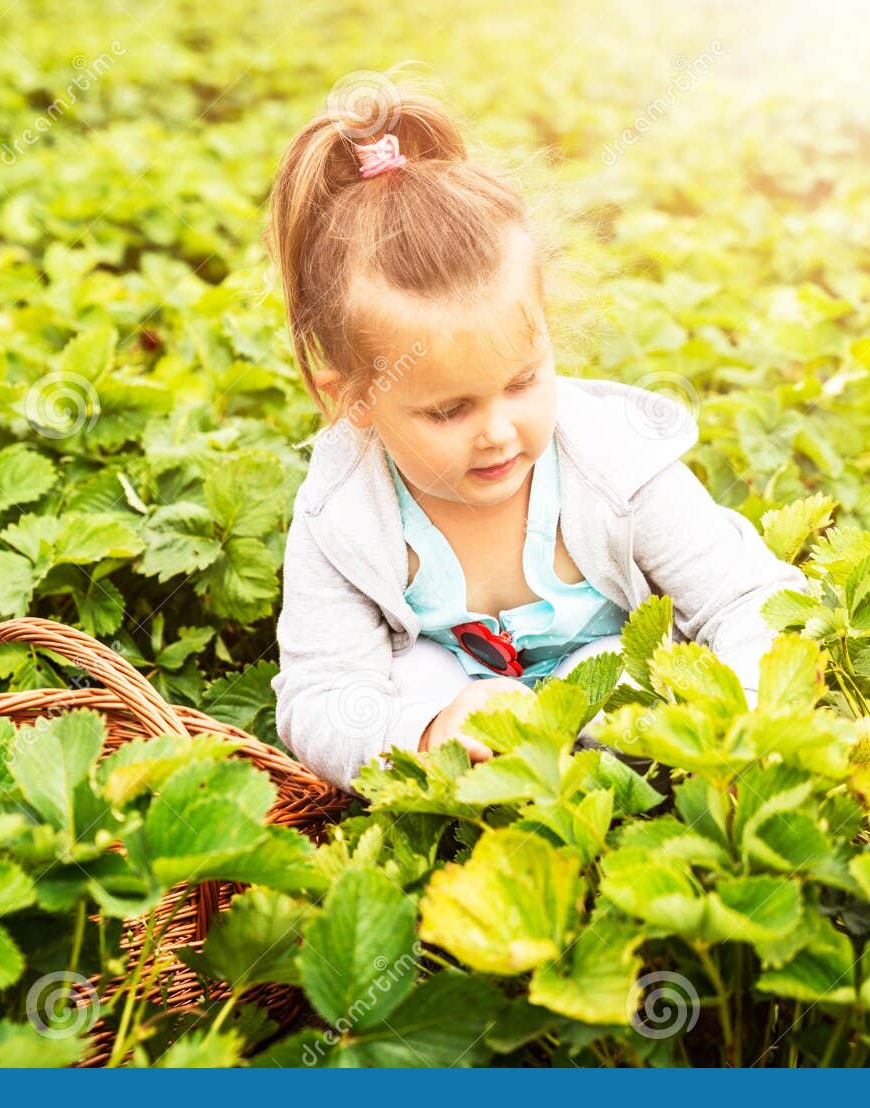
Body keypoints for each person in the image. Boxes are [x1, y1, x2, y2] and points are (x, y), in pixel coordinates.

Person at [264, 82, 807, 790]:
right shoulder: (343, 512)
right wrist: (424, 732)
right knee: (410, 674)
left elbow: (747, 599)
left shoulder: (617, 464)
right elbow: (321, 691)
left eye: (521, 384)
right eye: (447, 411)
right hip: (462, 737)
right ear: (356, 399)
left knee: (619, 685)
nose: (497, 433)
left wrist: (740, 723)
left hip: (623, 713)